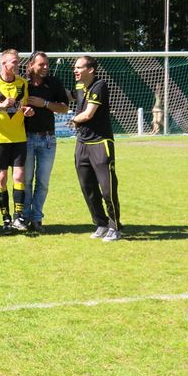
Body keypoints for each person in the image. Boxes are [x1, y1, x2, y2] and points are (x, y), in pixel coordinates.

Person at [0, 49, 35, 233]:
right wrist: (0, 105)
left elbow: (23, 106)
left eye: (18, 62)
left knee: (19, 177)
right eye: (14, 62)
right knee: (2, 178)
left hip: (19, 137)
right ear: (3, 64)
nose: (17, 65)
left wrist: (28, 111)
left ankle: (19, 217)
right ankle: (6, 218)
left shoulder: (22, 84)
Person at [70, 56, 122, 242]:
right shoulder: (78, 86)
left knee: (107, 189)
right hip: (82, 144)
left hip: (100, 143)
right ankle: (100, 223)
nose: (75, 70)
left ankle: (115, 227)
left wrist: (73, 120)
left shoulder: (100, 85)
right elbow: (70, 98)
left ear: (90, 69)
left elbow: (88, 114)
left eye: (79, 67)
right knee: (87, 187)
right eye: (74, 67)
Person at [22, 51, 70, 233]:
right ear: (31, 66)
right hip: (25, 138)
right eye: (41, 64)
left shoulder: (54, 83)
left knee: (43, 182)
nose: (45, 68)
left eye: (47, 64)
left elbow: (65, 108)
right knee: (25, 181)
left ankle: (37, 218)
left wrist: (45, 104)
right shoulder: (22, 84)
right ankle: (25, 218)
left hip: (48, 139)